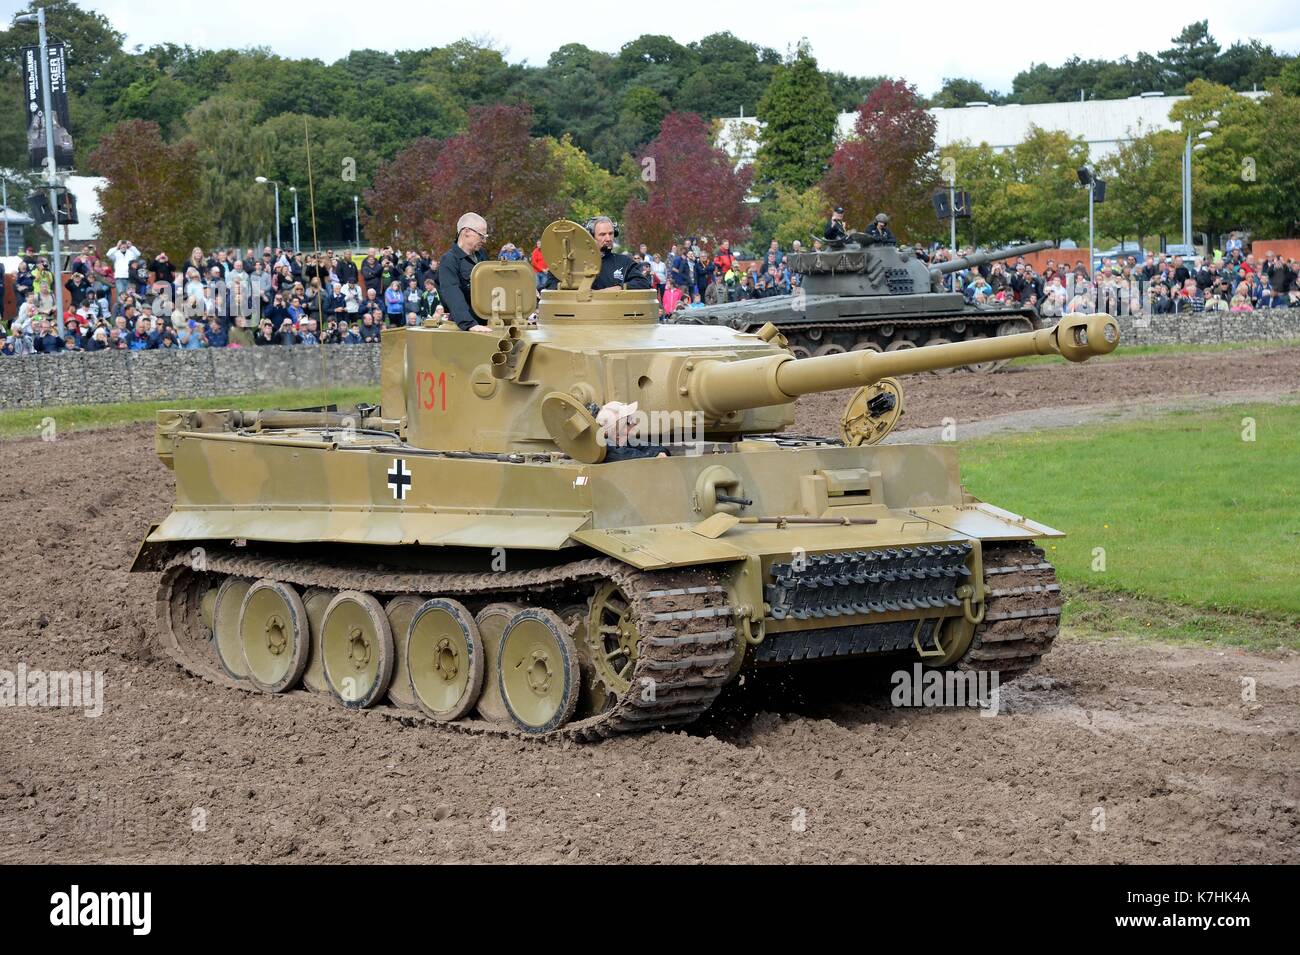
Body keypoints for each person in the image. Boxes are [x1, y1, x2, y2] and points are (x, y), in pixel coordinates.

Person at [543, 217, 651, 292]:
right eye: (602, 235)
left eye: (611, 233)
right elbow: (550, 285)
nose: (608, 238)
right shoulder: (571, 263)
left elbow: (643, 283)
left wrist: (619, 288)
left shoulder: (624, 262)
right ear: (591, 237)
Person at [437, 212, 496, 333]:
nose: (484, 241)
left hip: (488, 323)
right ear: (467, 232)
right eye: (481, 236)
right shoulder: (449, 260)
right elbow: (452, 293)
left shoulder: (482, 255)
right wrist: (469, 324)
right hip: (465, 328)